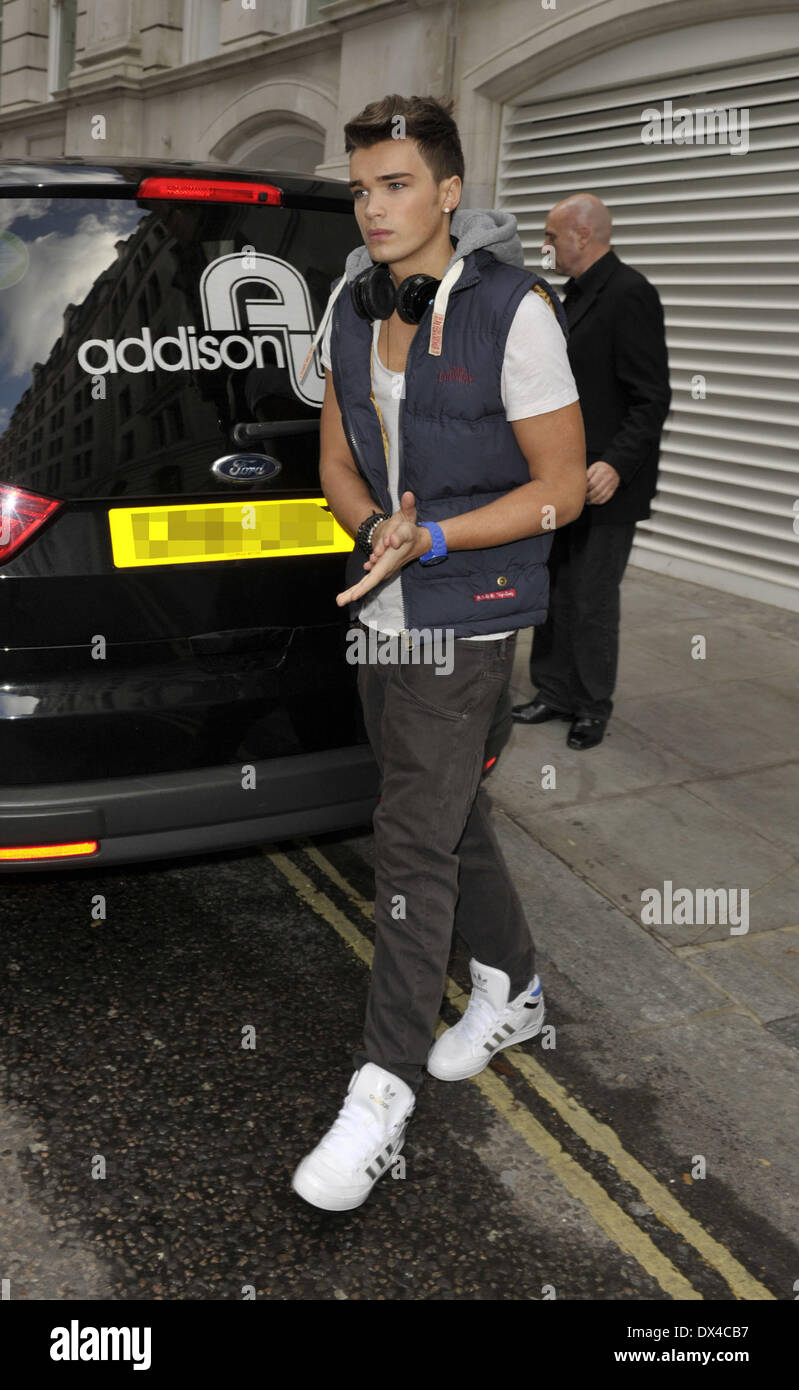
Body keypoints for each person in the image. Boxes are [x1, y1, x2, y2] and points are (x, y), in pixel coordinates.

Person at [291, 94, 586, 1212]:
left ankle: (383, 1088)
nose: (373, 206)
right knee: (451, 815)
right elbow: (336, 464)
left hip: (468, 618)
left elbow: (560, 488)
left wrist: (440, 537)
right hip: (384, 606)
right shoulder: (351, 306)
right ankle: (512, 988)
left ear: (450, 191)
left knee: (409, 846)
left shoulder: (516, 312)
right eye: (362, 187)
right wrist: (376, 531)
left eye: (397, 183)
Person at [512, 193, 671, 750]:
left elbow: (651, 397)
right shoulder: (571, 295)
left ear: (583, 235)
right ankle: (552, 691)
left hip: (606, 485)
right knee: (554, 588)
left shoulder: (629, 294)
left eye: (553, 235)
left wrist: (615, 465)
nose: (547, 246)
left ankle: (591, 704)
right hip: (560, 479)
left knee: (592, 598)